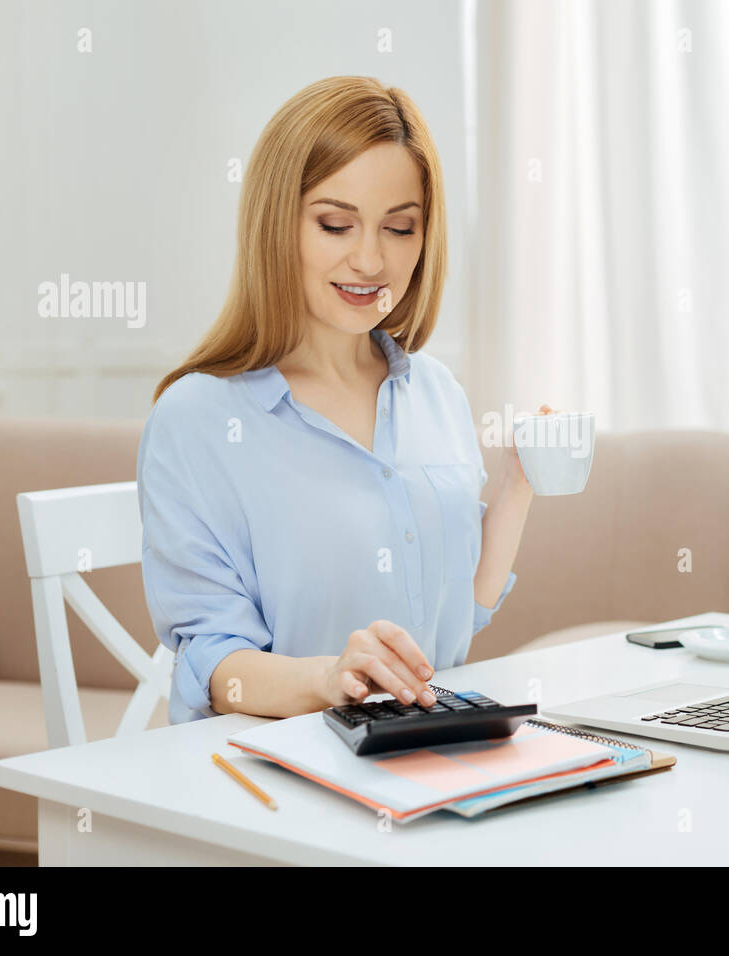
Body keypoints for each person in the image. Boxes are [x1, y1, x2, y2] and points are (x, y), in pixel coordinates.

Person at [139, 77, 549, 723]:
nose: (369, 259)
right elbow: (216, 670)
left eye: (400, 227)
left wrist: (518, 484)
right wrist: (331, 678)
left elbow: (460, 610)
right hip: (277, 767)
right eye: (335, 224)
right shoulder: (197, 420)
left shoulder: (436, 392)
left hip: (426, 752)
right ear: (278, 224)